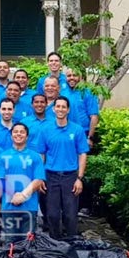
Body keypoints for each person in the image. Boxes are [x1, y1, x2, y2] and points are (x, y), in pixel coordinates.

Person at [40, 96, 89, 239]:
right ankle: (55, 244)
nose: (60, 109)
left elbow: (82, 154)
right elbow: (41, 155)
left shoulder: (77, 130)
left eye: (63, 107)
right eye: (58, 106)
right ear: (53, 109)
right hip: (51, 176)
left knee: (70, 214)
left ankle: (72, 243)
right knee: (52, 214)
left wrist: (79, 178)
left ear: (68, 110)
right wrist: (40, 177)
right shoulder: (46, 130)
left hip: (70, 177)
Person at [0, 123, 46, 241]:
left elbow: (38, 180)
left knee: (28, 243)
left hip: (29, 207)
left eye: (22, 132)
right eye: (15, 132)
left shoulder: (35, 157)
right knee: (10, 243)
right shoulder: (3, 156)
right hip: (9, 206)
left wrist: (23, 195)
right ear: (11, 135)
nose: (18, 134)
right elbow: (1, 180)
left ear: (27, 136)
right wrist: (14, 196)